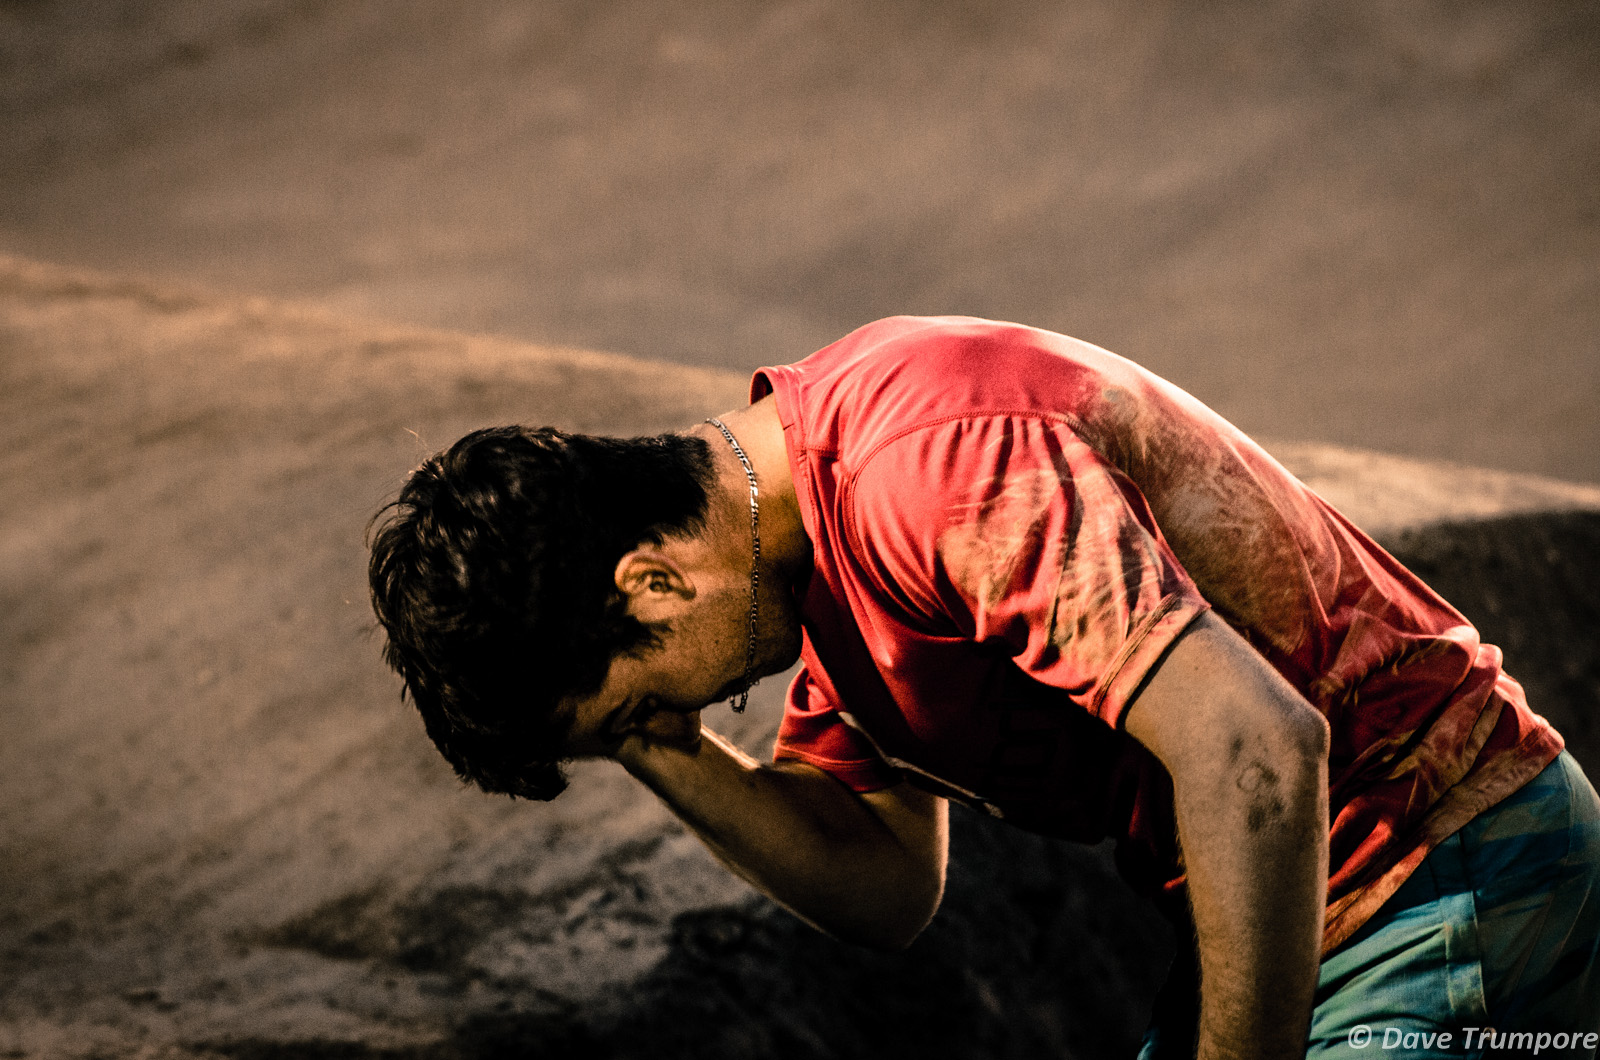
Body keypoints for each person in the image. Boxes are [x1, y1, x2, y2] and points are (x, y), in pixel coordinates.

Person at [367, 315, 1600, 1058]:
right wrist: (660, 750)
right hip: (1342, 914)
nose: (674, 725)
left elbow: (1256, 753)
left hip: (1449, 873)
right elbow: (884, 885)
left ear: (652, 583)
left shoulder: (925, 470)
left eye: (642, 709)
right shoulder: (820, 557)